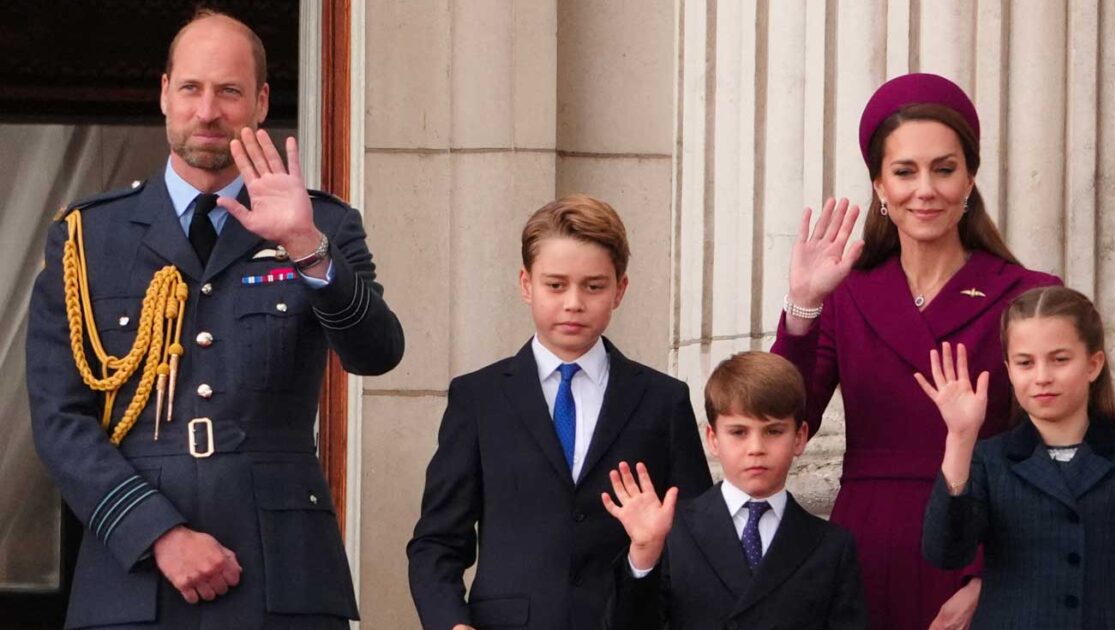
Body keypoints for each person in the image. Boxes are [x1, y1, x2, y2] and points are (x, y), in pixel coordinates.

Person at [26, 9, 404, 629]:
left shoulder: (324, 225)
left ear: (259, 101)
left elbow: (378, 352)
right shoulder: (89, 238)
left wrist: (305, 245)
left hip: (282, 569)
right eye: (192, 88)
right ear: (164, 93)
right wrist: (160, 534)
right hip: (134, 575)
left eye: (229, 91)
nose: (208, 111)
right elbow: (58, 419)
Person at [771, 72, 1060, 630]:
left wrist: (989, 573)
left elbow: (1048, 446)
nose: (924, 189)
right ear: (879, 185)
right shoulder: (846, 293)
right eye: (904, 171)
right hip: (867, 544)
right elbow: (785, 421)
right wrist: (803, 305)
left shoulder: (1028, 294)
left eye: (944, 169)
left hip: (983, 543)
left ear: (970, 178)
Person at [406, 195, 712, 630]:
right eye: (555, 285)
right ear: (526, 284)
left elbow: (694, 544)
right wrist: (452, 624)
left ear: (620, 290)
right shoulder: (479, 398)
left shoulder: (663, 401)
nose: (573, 302)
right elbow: (437, 541)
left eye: (593, 286)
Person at [919, 286, 1115, 628]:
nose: (1042, 377)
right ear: (1009, 370)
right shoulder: (989, 459)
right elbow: (945, 552)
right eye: (1025, 363)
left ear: (1093, 364)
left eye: (1060, 360)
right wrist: (959, 439)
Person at [602, 351, 868, 630]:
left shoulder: (831, 546)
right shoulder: (671, 530)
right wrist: (644, 554)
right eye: (739, 432)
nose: (756, 448)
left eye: (774, 431)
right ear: (713, 439)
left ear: (800, 437)